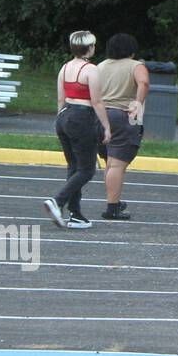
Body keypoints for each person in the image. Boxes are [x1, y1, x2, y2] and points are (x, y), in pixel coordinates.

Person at [43, 31, 112, 229]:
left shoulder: (64, 68)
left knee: (74, 167)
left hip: (64, 115)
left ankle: (76, 214)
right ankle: (58, 200)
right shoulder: (91, 69)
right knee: (87, 169)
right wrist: (106, 127)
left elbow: (60, 99)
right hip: (83, 116)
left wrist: (62, 120)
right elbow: (97, 101)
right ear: (89, 48)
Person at [95, 33, 150, 220]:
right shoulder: (136, 66)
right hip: (123, 115)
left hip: (100, 115)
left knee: (109, 163)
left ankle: (113, 201)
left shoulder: (100, 66)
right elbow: (143, 82)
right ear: (131, 50)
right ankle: (112, 207)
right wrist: (138, 103)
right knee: (118, 164)